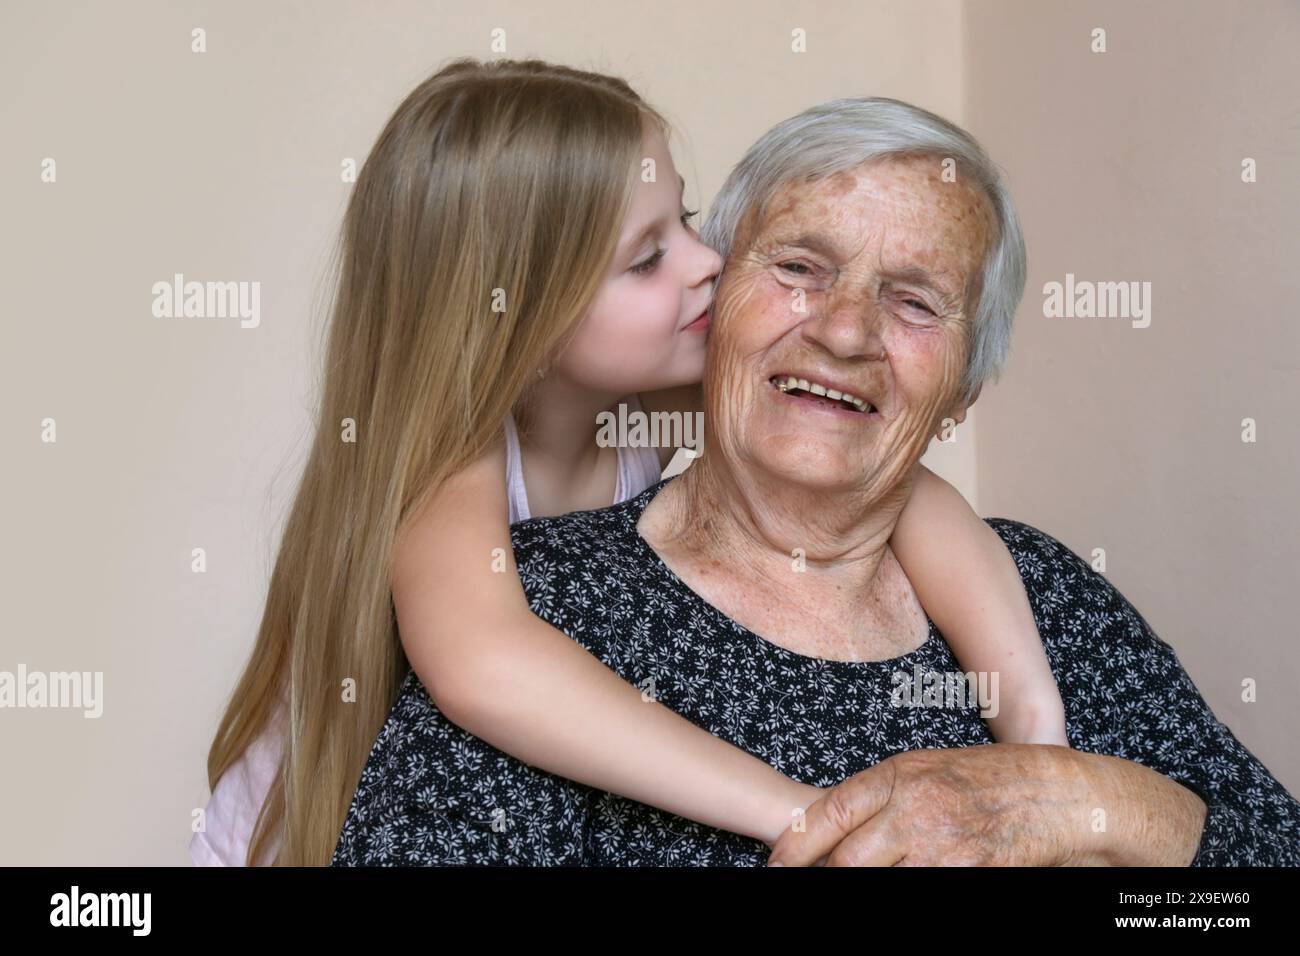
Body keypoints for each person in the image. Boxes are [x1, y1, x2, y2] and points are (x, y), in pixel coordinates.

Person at [332, 96, 1300, 866]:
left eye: (914, 300)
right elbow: (473, 671)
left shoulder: (1044, 602)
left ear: (961, 392)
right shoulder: (538, 603)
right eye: (798, 266)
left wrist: (1076, 797)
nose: (844, 331)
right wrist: (824, 825)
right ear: (719, 314)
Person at [194, 59, 1062, 867]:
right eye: (647, 258)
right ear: (518, 319)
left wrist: (1033, 726)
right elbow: (488, 668)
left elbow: (893, 481)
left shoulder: (632, 416)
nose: (706, 262)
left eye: (682, 220)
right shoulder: (456, 463)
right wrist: (811, 818)